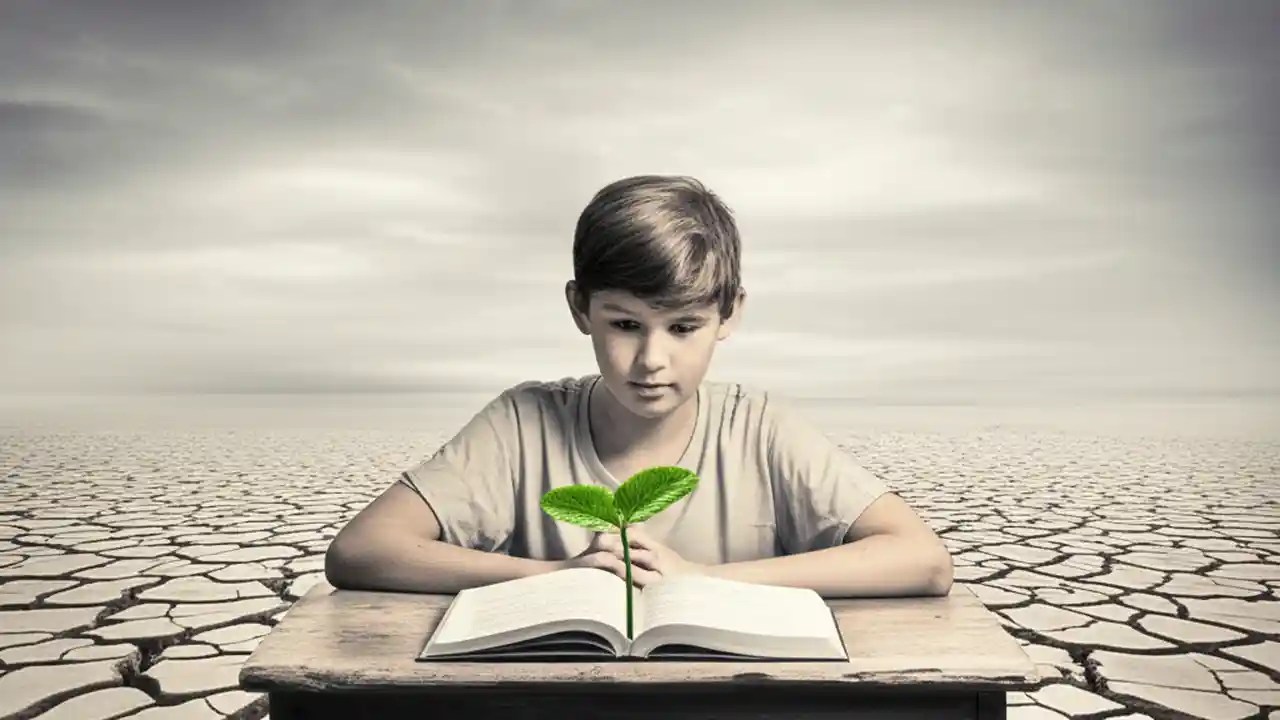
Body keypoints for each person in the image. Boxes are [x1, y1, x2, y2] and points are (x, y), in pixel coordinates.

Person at [325, 175, 953, 598]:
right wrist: (561, 576)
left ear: (729, 313)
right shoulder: (523, 421)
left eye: (683, 327)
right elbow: (361, 550)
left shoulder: (758, 427)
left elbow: (923, 560)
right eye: (625, 324)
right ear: (580, 308)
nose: (652, 360)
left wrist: (698, 579)